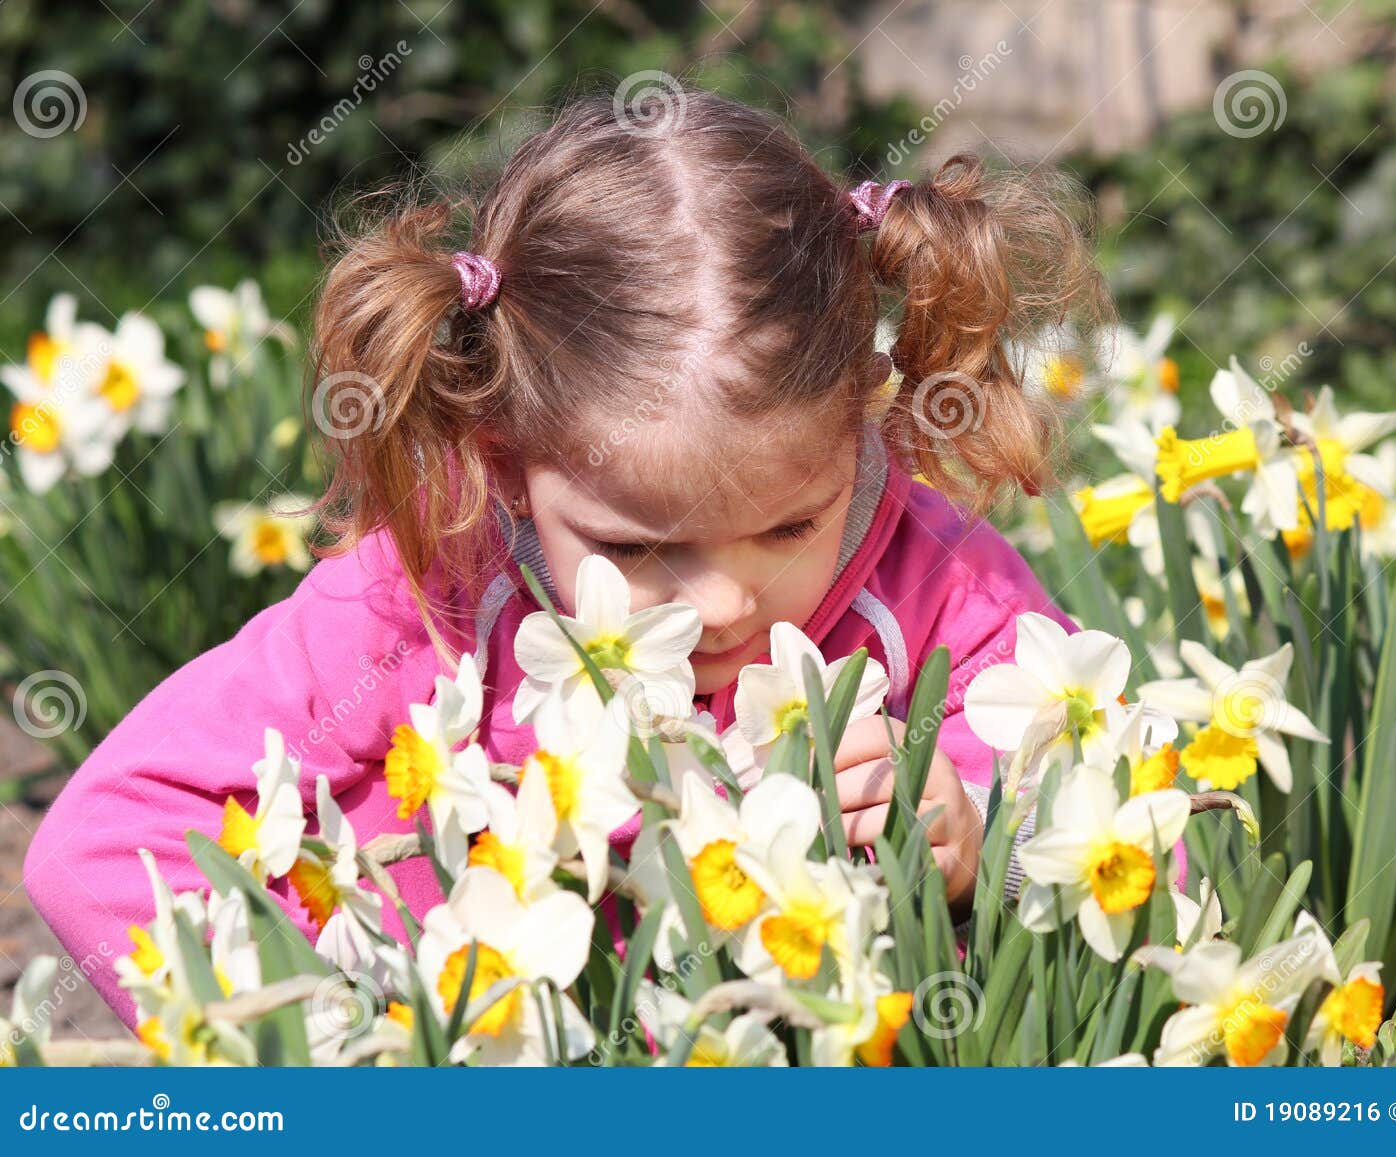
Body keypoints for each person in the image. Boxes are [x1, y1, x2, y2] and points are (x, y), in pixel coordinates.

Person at [25, 89, 1109, 1028]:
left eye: (788, 527)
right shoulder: (433, 585)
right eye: (636, 545)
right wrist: (338, 1033)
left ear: (864, 424)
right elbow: (103, 845)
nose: (724, 603)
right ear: (504, 459)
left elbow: (1142, 837)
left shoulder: (936, 588)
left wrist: (975, 844)